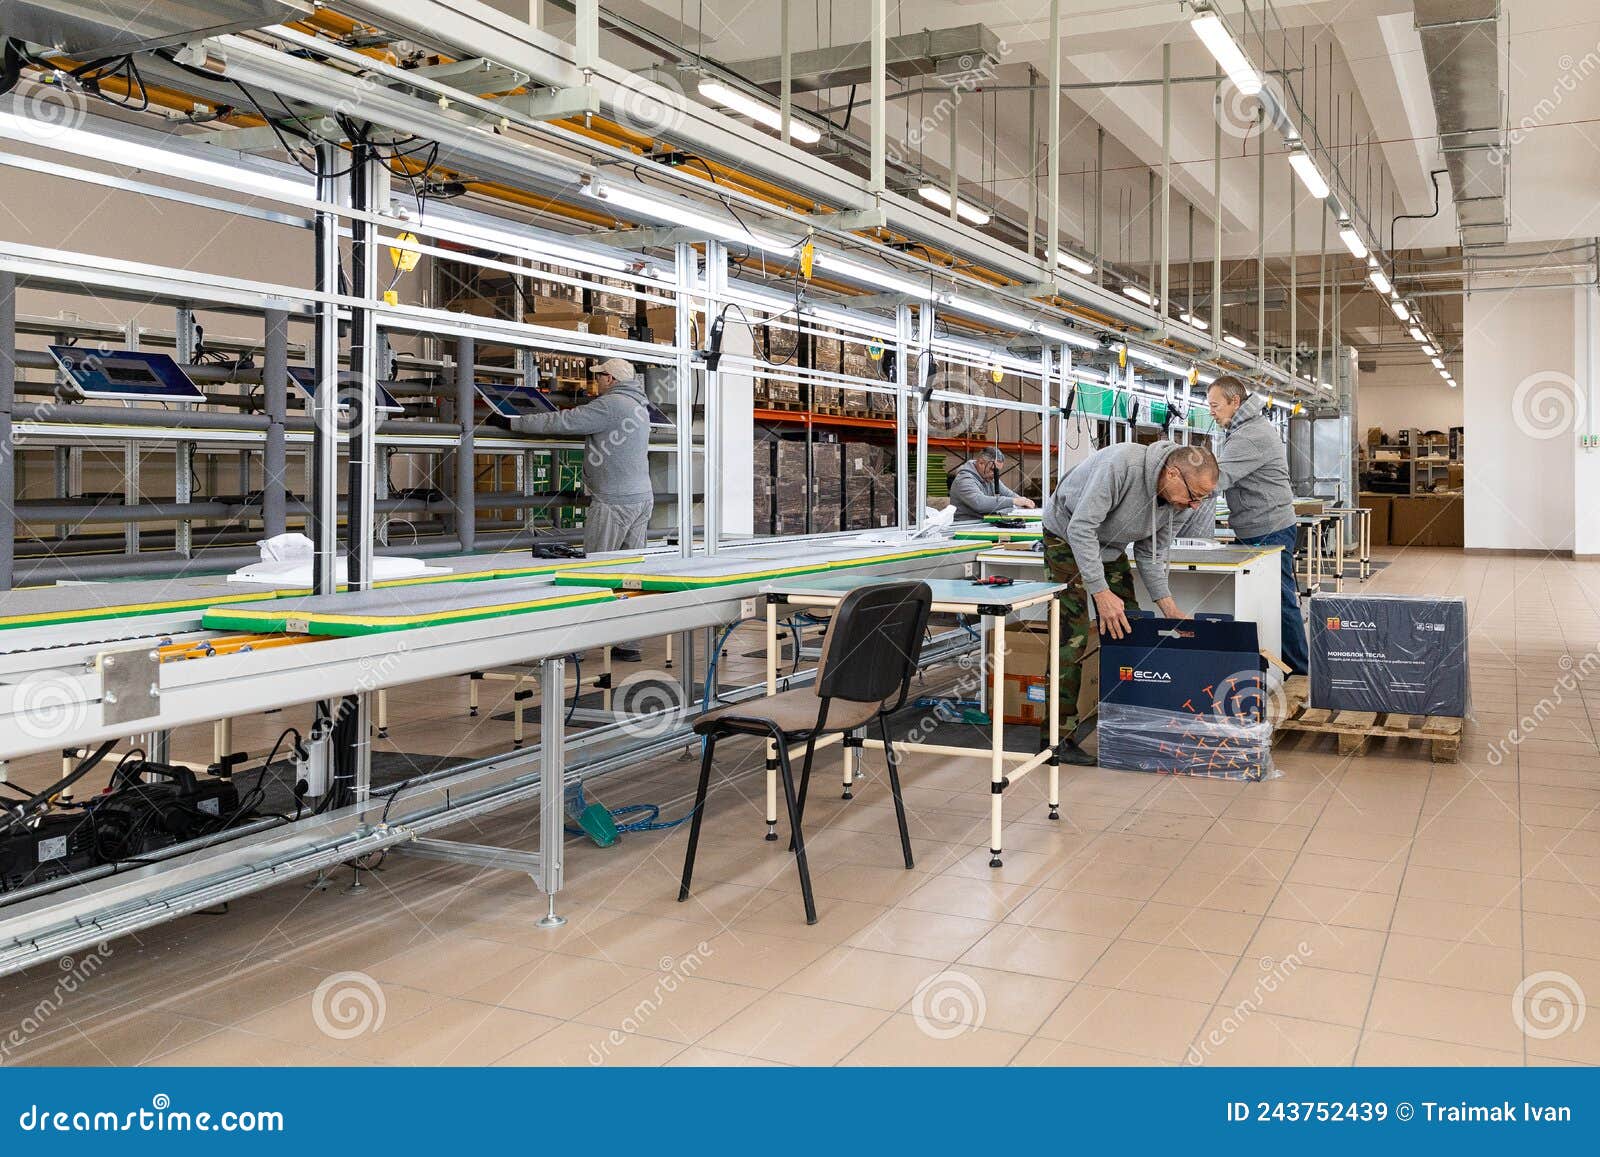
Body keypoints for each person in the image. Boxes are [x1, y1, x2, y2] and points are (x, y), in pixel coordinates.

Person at [1040, 440, 1219, 764]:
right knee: (1072, 636)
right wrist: (1100, 591)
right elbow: (1081, 528)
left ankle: (1129, 726)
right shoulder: (1122, 466)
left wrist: (1168, 607)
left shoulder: (1177, 502)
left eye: (1202, 499)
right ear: (1172, 473)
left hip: (1110, 548)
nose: (1195, 505)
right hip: (1067, 539)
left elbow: (1152, 553)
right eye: (1194, 495)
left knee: (1133, 625)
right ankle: (1056, 740)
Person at [488, 357, 652, 661]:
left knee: (593, 571)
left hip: (614, 500)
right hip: (641, 497)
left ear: (610, 379)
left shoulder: (612, 404)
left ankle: (575, 646)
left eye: (598, 377)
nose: (595, 383)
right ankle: (630, 643)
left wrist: (512, 422)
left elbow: (562, 421)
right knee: (630, 572)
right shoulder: (638, 404)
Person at [1206, 375, 1309, 675]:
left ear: (1235, 402)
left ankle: (1299, 670)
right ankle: (1271, 662)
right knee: (1262, 596)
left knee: (1279, 598)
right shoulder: (1242, 429)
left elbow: (1218, 479)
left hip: (1269, 529)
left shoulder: (1249, 436)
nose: (1211, 411)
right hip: (1258, 527)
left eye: (1215, 405)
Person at [948, 447, 1036, 520]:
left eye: (997, 471)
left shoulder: (990, 477)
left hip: (982, 523)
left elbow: (1007, 493)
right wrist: (1014, 501)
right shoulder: (964, 479)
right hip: (965, 526)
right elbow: (979, 503)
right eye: (993, 470)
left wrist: (1024, 501)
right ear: (981, 463)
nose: (995, 475)